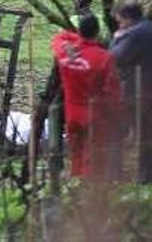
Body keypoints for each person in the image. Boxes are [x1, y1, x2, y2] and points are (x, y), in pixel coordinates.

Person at [110, 2, 152, 183]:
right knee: (147, 130)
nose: (119, 26)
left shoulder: (134, 34)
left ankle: (121, 174)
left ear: (127, 18)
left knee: (120, 130)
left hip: (136, 90)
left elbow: (115, 57)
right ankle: (150, 171)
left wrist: (116, 38)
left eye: (120, 22)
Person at [51, 15, 121, 180]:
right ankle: (91, 195)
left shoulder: (64, 52)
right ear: (97, 33)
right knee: (93, 158)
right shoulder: (104, 57)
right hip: (94, 113)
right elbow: (113, 90)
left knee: (76, 154)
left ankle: (76, 188)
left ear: (80, 31)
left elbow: (59, 37)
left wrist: (76, 39)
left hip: (72, 113)